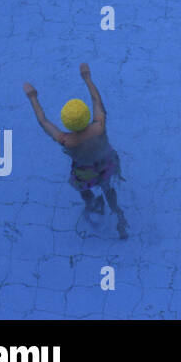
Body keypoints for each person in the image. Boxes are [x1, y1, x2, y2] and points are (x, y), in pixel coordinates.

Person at [24, 63, 128, 239]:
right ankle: (118, 214)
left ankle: (91, 202)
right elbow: (96, 100)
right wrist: (87, 78)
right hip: (107, 164)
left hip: (85, 174)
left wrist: (33, 97)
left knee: (81, 188)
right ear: (87, 115)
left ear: (66, 123)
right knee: (108, 188)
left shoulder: (66, 140)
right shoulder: (99, 126)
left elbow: (43, 122)